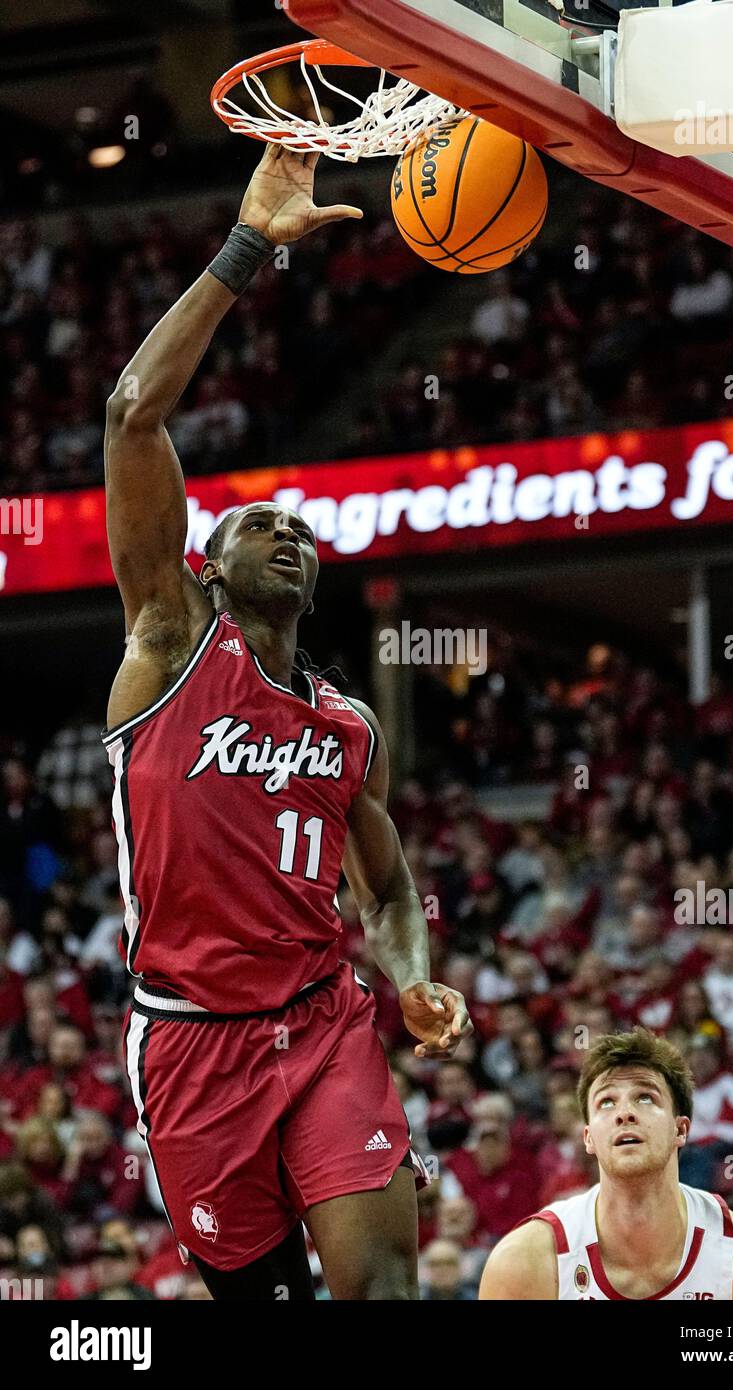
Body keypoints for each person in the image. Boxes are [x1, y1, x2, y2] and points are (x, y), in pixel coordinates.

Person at [102, 143, 472, 1301]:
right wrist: (247, 249)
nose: (290, 533)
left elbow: (393, 887)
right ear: (207, 570)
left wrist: (408, 975)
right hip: (191, 1040)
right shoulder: (168, 645)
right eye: (258, 523)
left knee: (382, 1291)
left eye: (303, 532)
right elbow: (130, 413)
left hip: (324, 1023)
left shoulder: (347, 725)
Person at [477, 1028, 733, 1300]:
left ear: (680, 1130)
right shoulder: (525, 1260)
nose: (624, 1113)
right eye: (606, 1102)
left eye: (645, 1097)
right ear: (588, 1138)